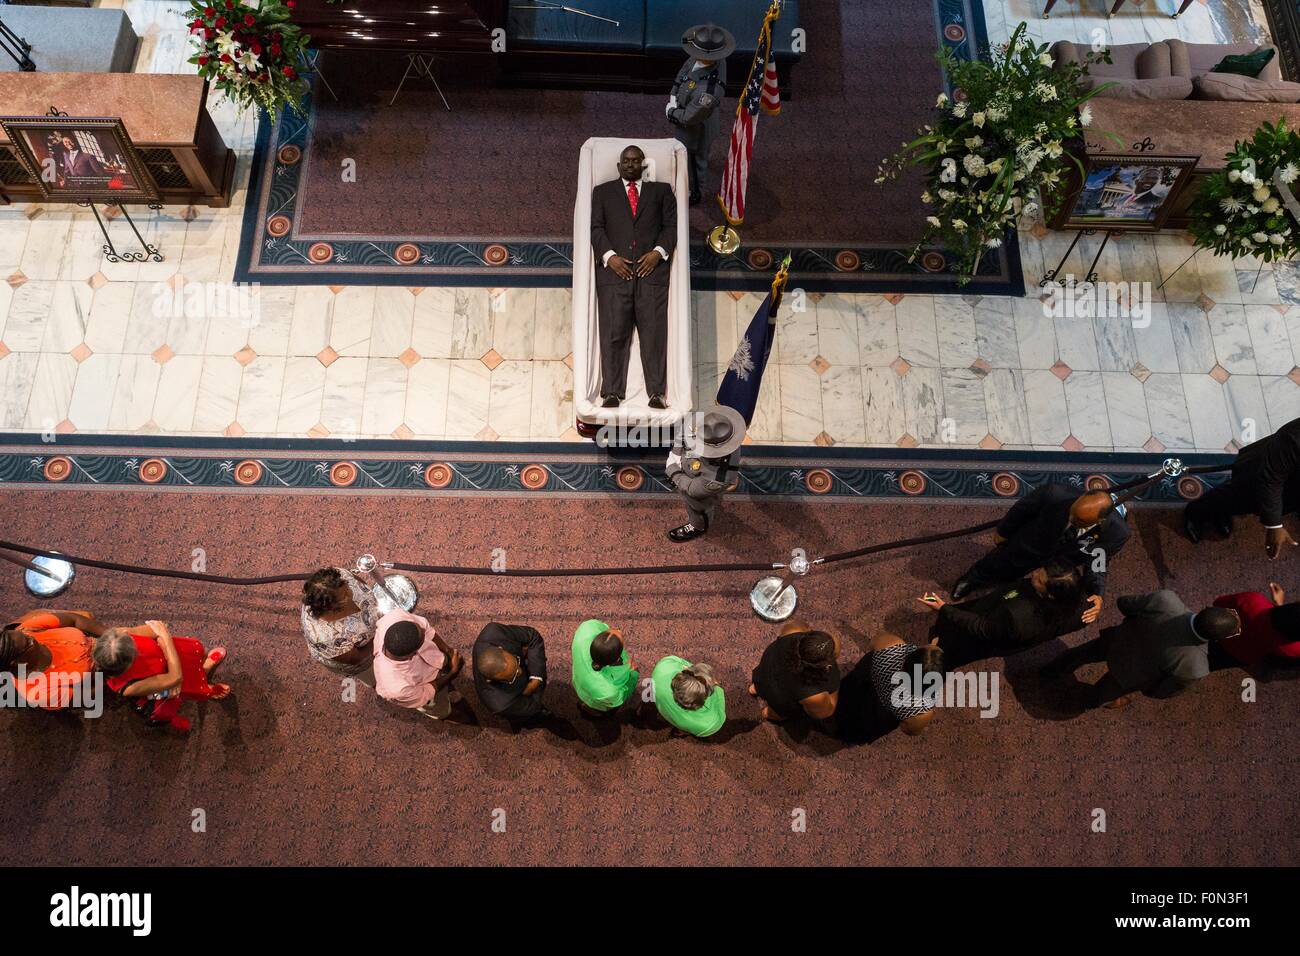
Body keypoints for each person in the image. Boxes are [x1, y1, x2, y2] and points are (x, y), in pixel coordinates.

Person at [951, 485, 1130, 625]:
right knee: (1000, 561)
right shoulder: (1055, 493)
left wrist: (1097, 592)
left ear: (1100, 521)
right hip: (1030, 543)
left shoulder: (1118, 533)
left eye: (1079, 521)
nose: (1071, 520)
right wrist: (1004, 531)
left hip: (1060, 563)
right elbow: (1021, 510)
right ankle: (974, 578)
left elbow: (1099, 560)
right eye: (1072, 513)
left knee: (1032, 585)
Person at [1044, 591, 1240, 708]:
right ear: (1216, 640)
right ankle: (1073, 704)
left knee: (1080, 654)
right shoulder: (1196, 667)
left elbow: (1124, 603)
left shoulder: (1165, 600)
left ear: (1205, 608)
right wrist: (1145, 688)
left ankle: (1051, 670)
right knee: (1099, 695)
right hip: (1130, 677)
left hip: (1117, 640)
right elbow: (1163, 692)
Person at [590, 144, 677, 409]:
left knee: (653, 334)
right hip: (615, 276)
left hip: (651, 275)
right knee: (614, 333)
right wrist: (610, 257)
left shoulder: (661, 191)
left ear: (643, 164)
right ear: (618, 166)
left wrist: (657, 253)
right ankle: (611, 392)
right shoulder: (602, 192)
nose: (630, 165)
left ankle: (656, 394)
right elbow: (596, 228)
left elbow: (671, 227)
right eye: (625, 161)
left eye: (635, 160)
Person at [920, 561, 1089, 667]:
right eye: (1040, 570)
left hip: (983, 634)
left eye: (1039, 579)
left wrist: (944, 608)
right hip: (994, 615)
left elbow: (981, 627)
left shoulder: (1018, 617)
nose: (1034, 574)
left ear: (1051, 595)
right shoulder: (1081, 601)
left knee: (948, 653)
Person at [1185, 415, 1300, 559]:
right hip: (1260, 474)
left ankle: (1222, 512)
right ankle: (1195, 513)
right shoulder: (1296, 436)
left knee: (1243, 505)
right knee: (1232, 496)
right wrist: (1274, 525)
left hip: (1290, 490)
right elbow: (1270, 478)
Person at [93, 620, 229, 733]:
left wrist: (165, 643)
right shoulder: (126, 687)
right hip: (167, 672)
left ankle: (203, 668)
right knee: (189, 683)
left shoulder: (116, 637)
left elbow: (155, 629)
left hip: (168, 667)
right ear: (127, 665)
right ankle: (205, 673)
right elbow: (176, 677)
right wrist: (165, 640)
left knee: (191, 658)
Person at [666, 23, 733, 205]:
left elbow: (690, 117)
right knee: (692, 157)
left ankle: (694, 192)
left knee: (695, 162)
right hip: (692, 114)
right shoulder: (702, 56)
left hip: (696, 129)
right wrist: (674, 91)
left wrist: (672, 112)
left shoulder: (709, 92)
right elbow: (685, 71)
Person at [664, 404, 744, 542]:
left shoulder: (719, 476)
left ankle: (698, 526)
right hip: (689, 467)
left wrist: (674, 472)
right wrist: (676, 454)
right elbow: (682, 435)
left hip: (701, 481)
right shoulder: (700, 421)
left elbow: (692, 489)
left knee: (698, 506)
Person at [0, 609, 103, 710]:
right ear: (18, 663)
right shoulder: (38, 693)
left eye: (26, 636)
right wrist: (110, 675)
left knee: (86, 615)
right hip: (103, 673)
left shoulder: (26, 630)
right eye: (29, 644)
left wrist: (110, 634)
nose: (33, 638)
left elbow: (73, 619)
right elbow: (85, 696)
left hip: (101, 641)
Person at [372, 609, 462, 719]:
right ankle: (446, 714)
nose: (424, 631)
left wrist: (448, 651)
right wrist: (452, 674)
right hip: (425, 687)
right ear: (412, 655)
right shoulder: (396, 688)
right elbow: (425, 693)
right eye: (422, 639)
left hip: (436, 660)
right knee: (439, 707)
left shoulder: (395, 617)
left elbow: (427, 629)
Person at [749, 621, 840, 723]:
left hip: (765, 672)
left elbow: (803, 624)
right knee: (778, 710)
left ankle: (755, 689)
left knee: (761, 684)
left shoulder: (793, 629)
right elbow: (825, 712)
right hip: (780, 700)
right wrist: (834, 686)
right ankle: (769, 714)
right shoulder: (814, 695)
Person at [857, 632, 945, 737]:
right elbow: (910, 731)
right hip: (880, 713)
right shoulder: (921, 712)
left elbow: (873, 643)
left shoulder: (890, 646)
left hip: (864, 680)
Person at [301, 567, 381, 676]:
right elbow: (358, 658)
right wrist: (382, 635)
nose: (351, 593)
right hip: (368, 657)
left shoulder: (338, 579)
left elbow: (356, 580)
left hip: (379, 631)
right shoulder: (325, 638)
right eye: (345, 596)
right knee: (375, 674)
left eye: (347, 586)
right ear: (330, 609)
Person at [1211, 582, 1300, 672]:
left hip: (1217, 631)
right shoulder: (1293, 649)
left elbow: (1218, 603)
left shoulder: (1254, 600)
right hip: (1240, 656)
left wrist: (1280, 606)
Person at [472, 623, 547, 720]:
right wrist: (533, 689)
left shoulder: (493, 632)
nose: (520, 671)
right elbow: (534, 705)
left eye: (517, 662)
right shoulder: (501, 703)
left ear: (501, 648)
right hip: (517, 703)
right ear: (490, 680)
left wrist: (536, 679)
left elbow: (533, 636)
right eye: (513, 676)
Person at [570, 619, 639, 714]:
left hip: (579, 682)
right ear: (615, 660)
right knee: (599, 709)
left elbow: (603, 627)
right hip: (599, 699)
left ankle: (585, 705)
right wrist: (634, 674)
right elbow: (620, 698)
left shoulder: (587, 629)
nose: (619, 631)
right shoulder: (609, 691)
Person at [651, 656, 725, 737]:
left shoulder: (664, 666)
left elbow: (683, 664)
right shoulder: (710, 725)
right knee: (688, 726)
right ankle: (683, 730)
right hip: (689, 723)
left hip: (659, 701)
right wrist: (718, 689)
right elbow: (720, 708)